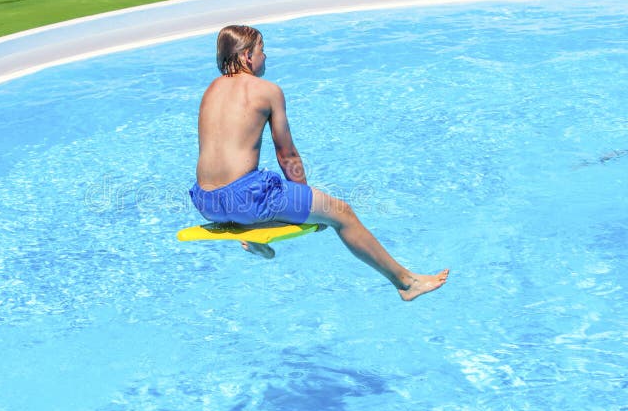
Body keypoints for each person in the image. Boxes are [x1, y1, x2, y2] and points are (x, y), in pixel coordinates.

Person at [189, 25, 448, 301]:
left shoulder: (211, 91)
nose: (266, 56)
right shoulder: (267, 91)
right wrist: (306, 200)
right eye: (262, 50)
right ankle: (407, 283)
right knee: (341, 213)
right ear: (246, 56)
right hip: (245, 199)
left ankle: (253, 239)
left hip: (206, 202)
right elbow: (287, 155)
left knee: (252, 194)